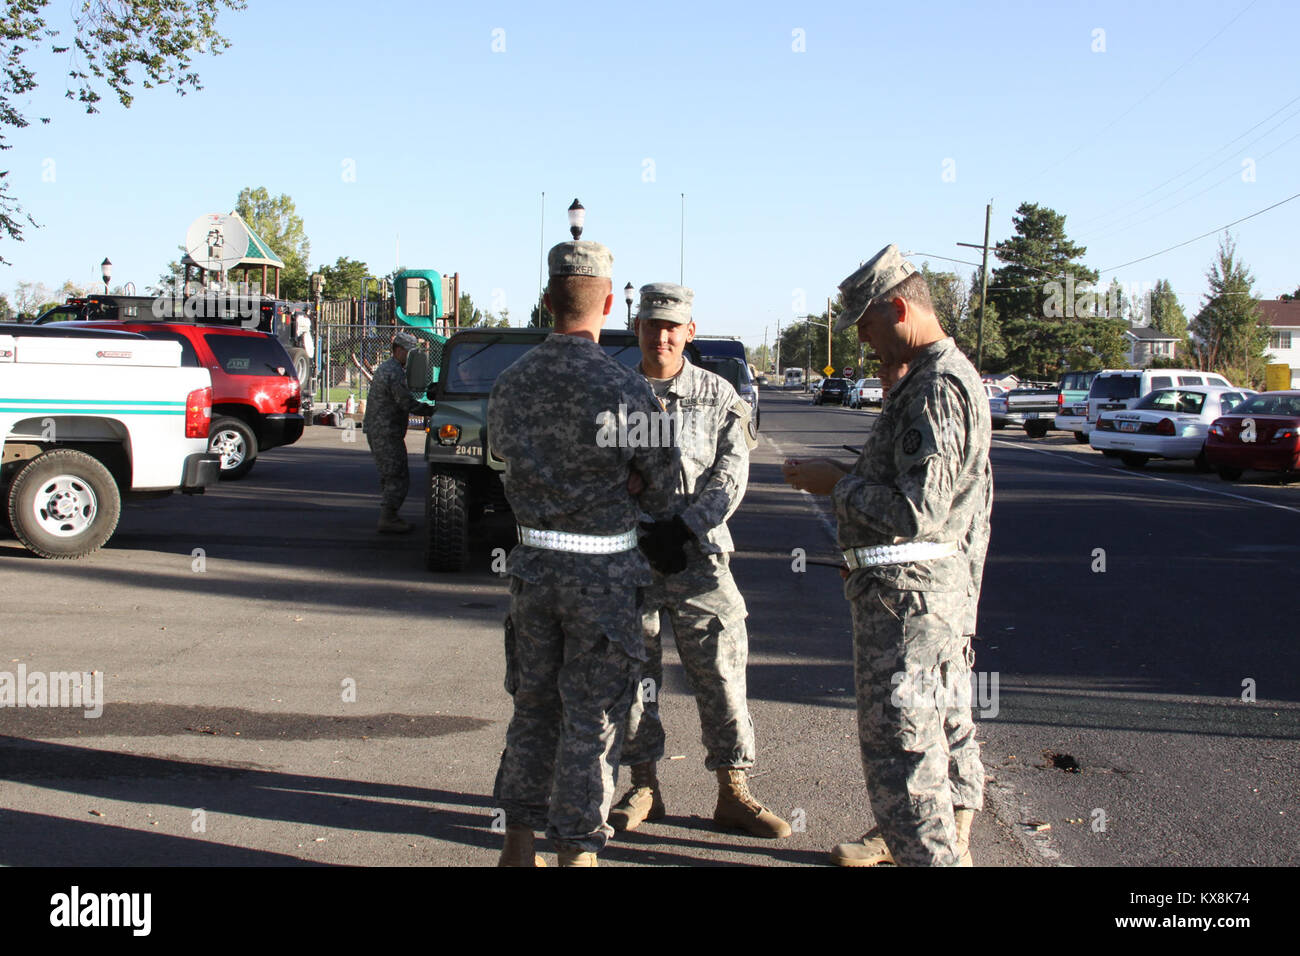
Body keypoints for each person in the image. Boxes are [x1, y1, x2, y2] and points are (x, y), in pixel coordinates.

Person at [781, 244, 991, 867]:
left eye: (868, 327)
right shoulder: (930, 379)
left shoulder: (937, 388)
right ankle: (948, 848)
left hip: (911, 609)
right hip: (925, 597)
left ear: (899, 309)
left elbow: (917, 511)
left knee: (904, 761)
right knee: (943, 738)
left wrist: (835, 484)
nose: (865, 343)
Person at [489, 241, 679, 867]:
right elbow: (665, 485)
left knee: (533, 712)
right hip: (603, 581)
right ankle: (576, 855)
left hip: (533, 572)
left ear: (547, 301)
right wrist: (623, 479)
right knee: (590, 723)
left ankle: (518, 847)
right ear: (607, 302)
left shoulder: (509, 385)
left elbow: (503, 463)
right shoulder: (626, 390)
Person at [609, 282, 791, 839]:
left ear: (690, 331)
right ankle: (644, 786)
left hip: (699, 558)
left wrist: (685, 526)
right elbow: (590, 466)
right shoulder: (611, 393)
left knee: (721, 673)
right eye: (651, 324)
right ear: (636, 327)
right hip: (631, 556)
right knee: (634, 675)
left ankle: (732, 790)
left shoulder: (719, 396)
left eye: (672, 326)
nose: (661, 335)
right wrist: (623, 487)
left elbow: (732, 475)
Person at [363, 330, 434, 534]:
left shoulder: (391, 368)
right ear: (399, 350)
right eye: (409, 352)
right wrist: (430, 410)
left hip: (383, 430)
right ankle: (388, 518)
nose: (411, 357)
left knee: (390, 475)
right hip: (385, 431)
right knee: (397, 475)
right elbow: (405, 402)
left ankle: (389, 514)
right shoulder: (393, 372)